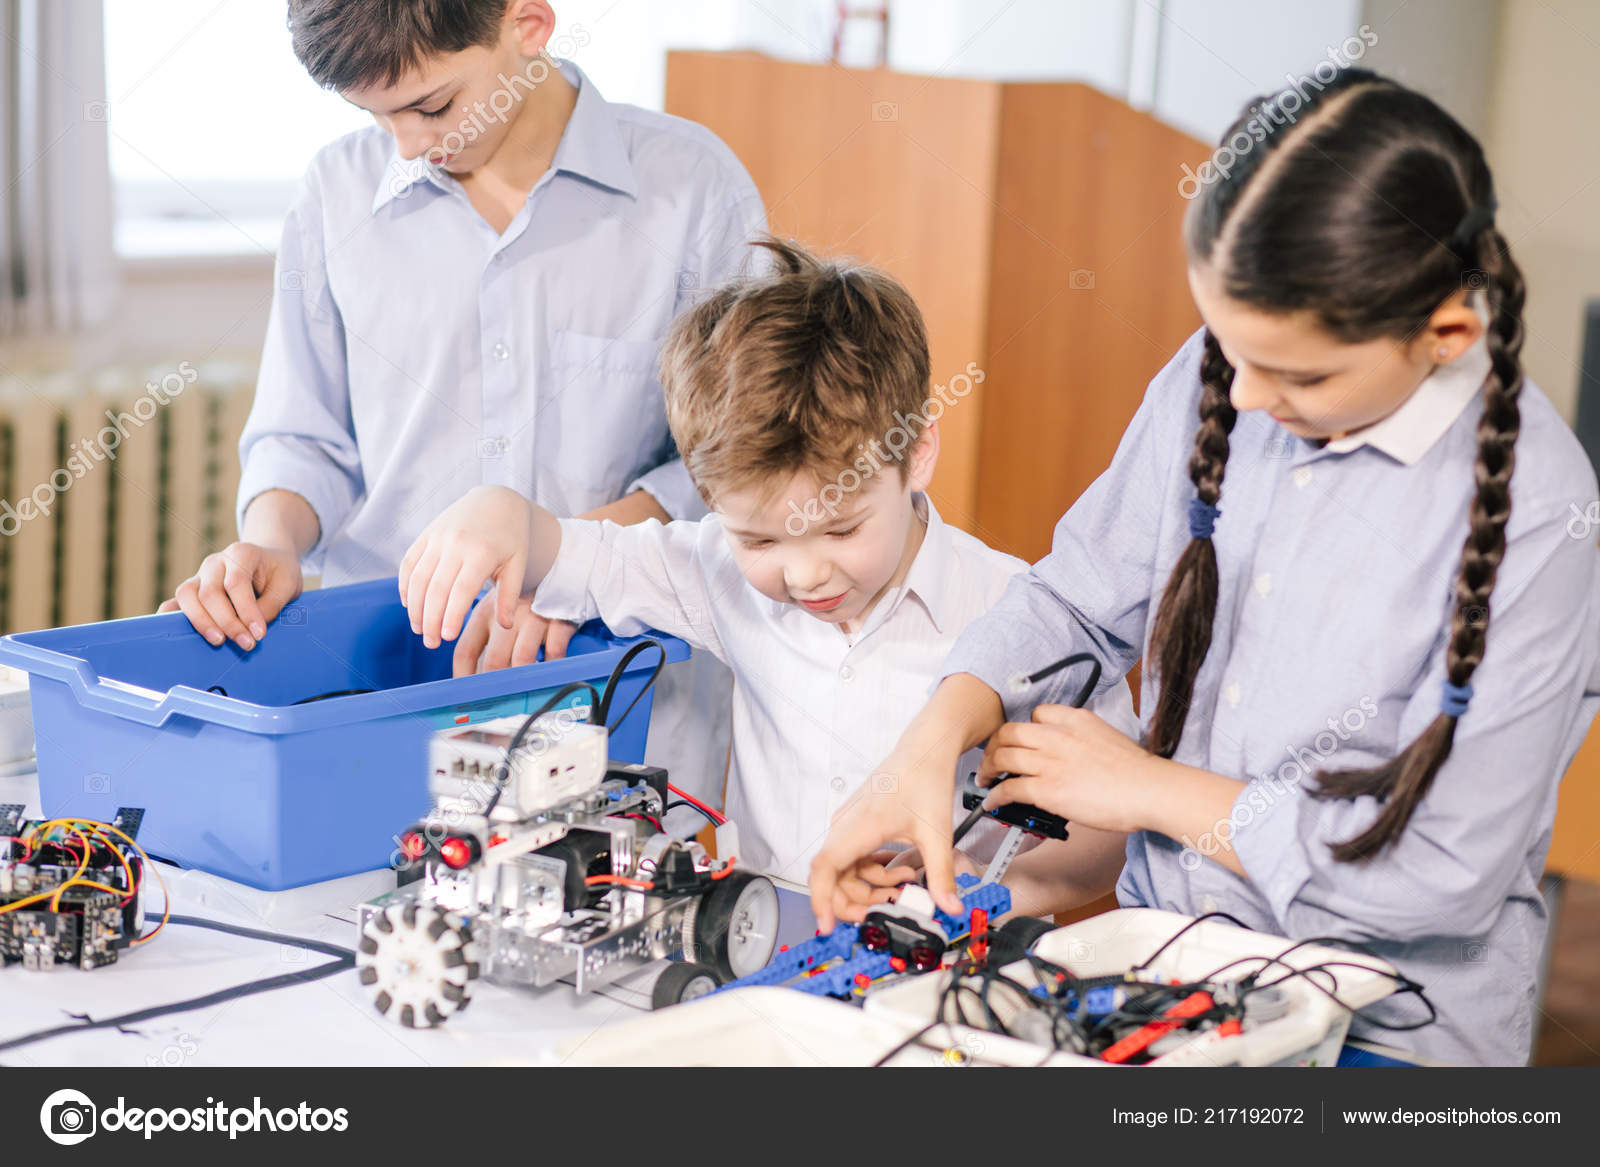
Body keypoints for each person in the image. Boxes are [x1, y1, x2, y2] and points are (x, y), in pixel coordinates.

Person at [809, 69, 1600, 1066]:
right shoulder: (1218, 369)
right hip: (1164, 971)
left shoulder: (1542, 512)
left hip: (1389, 1034)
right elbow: (1078, 598)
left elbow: (1442, 872)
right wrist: (928, 744)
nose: (1251, 395)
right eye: (1230, 348)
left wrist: (1148, 790)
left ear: (1444, 334)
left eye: (1302, 375)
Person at [160, 0, 765, 804]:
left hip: (612, 681)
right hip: (381, 690)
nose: (406, 147)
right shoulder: (337, 194)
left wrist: (573, 560)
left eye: (432, 106)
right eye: (375, 117)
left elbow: (749, 462)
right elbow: (303, 437)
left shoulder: (692, 190)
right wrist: (272, 543)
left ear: (528, 24)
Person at [396, 238, 1138, 890]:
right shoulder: (714, 572)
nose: (806, 574)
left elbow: (1105, 839)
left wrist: (972, 881)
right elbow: (584, 558)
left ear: (918, 453)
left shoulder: (1021, 611)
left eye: (841, 527)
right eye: (760, 541)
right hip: (759, 953)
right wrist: (502, 510)